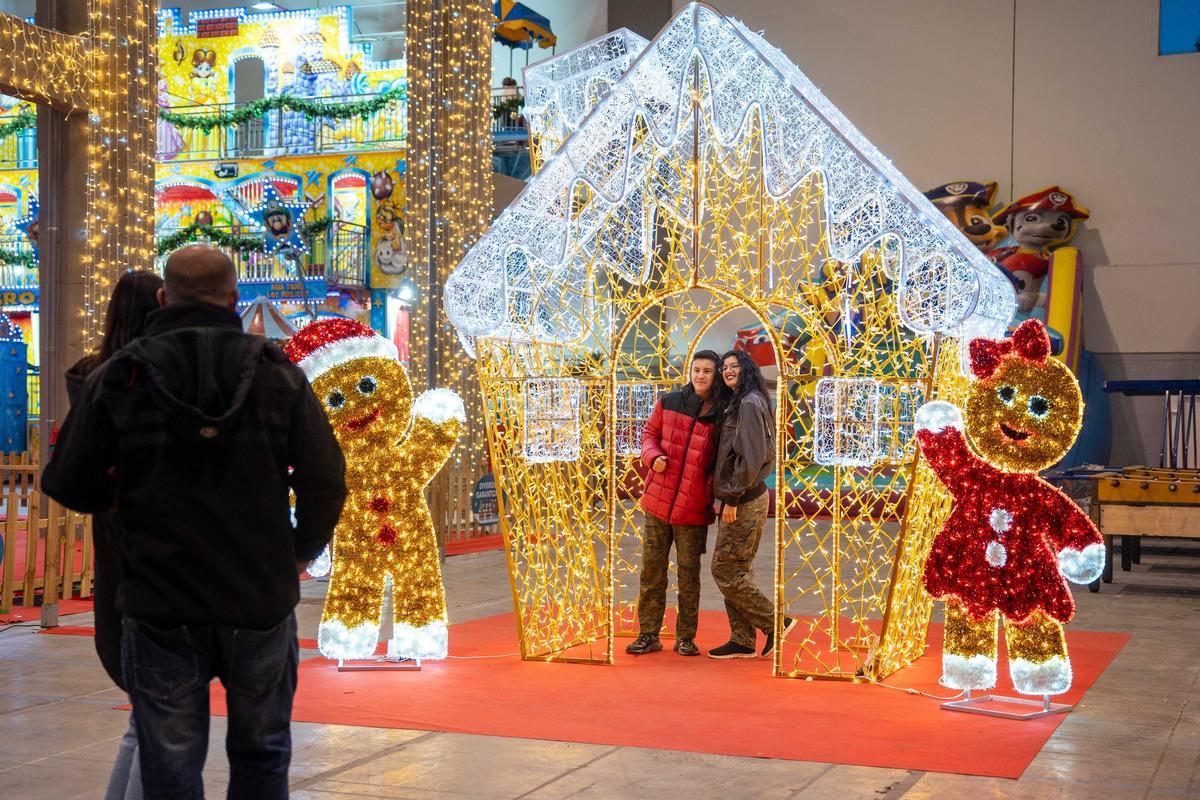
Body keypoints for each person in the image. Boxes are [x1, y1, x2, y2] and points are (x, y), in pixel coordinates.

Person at [42, 245, 347, 799]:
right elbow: (325, 479)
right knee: (263, 754)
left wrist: (120, 499)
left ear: (164, 297)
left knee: (170, 764)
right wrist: (299, 551)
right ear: (234, 298)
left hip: (161, 598)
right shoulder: (277, 375)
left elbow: (66, 480)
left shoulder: (122, 375)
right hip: (258, 596)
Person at [64, 270, 162, 800]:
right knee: (155, 718)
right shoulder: (146, 380)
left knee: (146, 716)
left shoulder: (91, 377)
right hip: (158, 558)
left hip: (113, 547)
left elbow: (71, 475)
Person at [627, 350, 724, 657]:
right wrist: (652, 457)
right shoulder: (668, 402)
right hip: (658, 502)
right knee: (651, 572)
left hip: (693, 509)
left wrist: (707, 490)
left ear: (716, 375)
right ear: (690, 372)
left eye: (707, 371)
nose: (701, 375)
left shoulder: (722, 412)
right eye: (697, 369)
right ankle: (648, 634)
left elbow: (721, 460)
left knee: (688, 575)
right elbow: (649, 435)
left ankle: (686, 637)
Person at [708, 350, 794, 659]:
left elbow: (752, 457)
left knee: (724, 569)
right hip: (743, 495)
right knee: (738, 568)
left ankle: (775, 622)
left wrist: (732, 497)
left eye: (735, 366)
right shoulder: (744, 401)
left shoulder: (748, 403)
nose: (728, 371)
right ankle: (742, 639)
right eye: (724, 367)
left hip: (744, 498)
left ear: (746, 370)